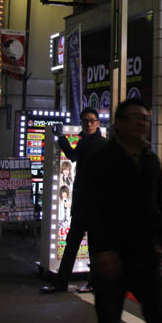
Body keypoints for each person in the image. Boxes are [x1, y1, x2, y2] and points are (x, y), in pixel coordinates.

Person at [85, 98, 162, 323]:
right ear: (119, 123)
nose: (141, 122)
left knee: (161, 315)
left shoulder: (150, 159)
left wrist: (160, 241)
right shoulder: (102, 158)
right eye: (135, 117)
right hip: (112, 255)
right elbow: (91, 206)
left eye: (145, 118)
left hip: (146, 253)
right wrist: (101, 250)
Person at [40, 107, 107, 293]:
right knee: (88, 244)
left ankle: (64, 282)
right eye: (85, 121)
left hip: (88, 203)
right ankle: (90, 282)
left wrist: (60, 137)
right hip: (89, 203)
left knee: (76, 243)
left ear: (98, 123)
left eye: (92, 120)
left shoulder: (94, 143)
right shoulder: (91, 141)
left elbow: (72, 156)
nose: (88, 124)